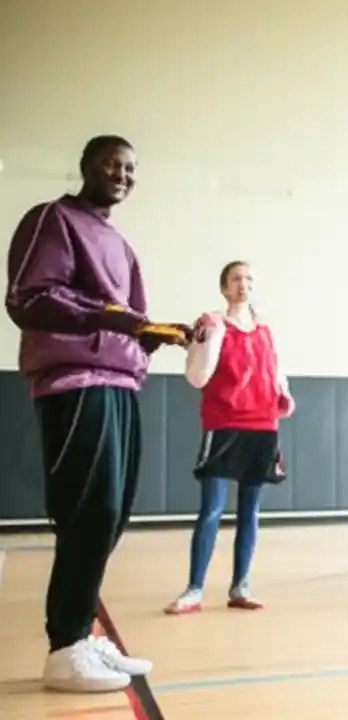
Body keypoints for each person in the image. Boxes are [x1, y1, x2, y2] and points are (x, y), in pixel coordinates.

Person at [5, 135, 187, 692]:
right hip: (75, 382)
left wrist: (152, 334)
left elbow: (122, 320)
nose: (122, 173)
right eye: (112, 162)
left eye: (132, 167)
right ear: (86, 165)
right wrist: (116, 319)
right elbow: (29, 298)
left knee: (112, 513)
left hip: (119, 382)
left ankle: (81, 633)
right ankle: (64, 647)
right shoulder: (53, 219)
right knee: (89, 509)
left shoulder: (120, 243)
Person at [164, 260, 294, 615]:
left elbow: (277, 370)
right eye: (236, 278)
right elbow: (197, 376)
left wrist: (285, 393)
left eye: (249, 278)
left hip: (263, 425)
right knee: (212, 509)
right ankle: (194, 589)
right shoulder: (215, 325)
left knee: (250, 512)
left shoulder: (266, 330)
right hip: (224, 423)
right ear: (224, 288)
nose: (244, 284)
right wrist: (204, 337)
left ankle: (240, 586)